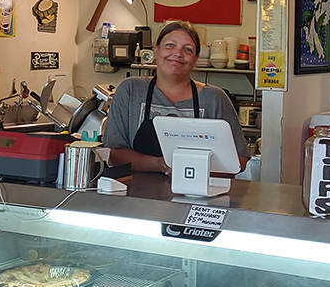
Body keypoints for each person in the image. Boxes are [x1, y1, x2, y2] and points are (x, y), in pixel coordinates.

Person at [103, 20, 250, 175]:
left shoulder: (214, 99)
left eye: (187, 49)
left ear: (195, 59)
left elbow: (239, 161)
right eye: (170, 45)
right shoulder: (131, 90)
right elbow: (113, 154)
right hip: (134, 196)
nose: (178, 54)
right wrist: (159, 164)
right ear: (156, 49)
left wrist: (192, 171)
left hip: (197, 197)